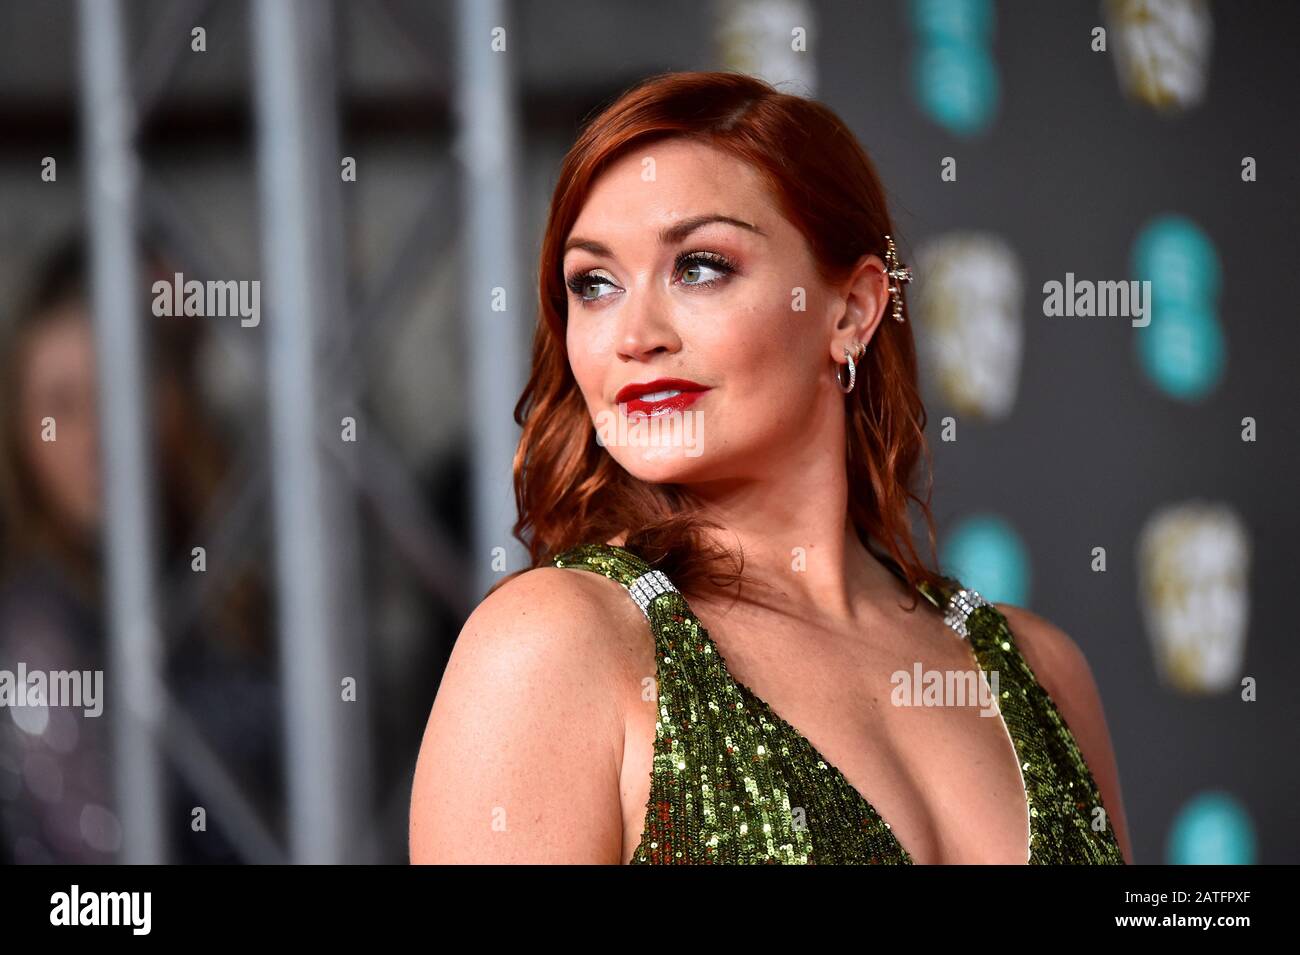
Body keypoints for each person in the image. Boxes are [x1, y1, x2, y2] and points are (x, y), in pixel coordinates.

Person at [409, 71, 1132, 865]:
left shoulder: (1039, 669)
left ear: (852, 309)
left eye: (700, 266)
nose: (634, 332)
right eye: (595, 283)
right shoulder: (556, 646)